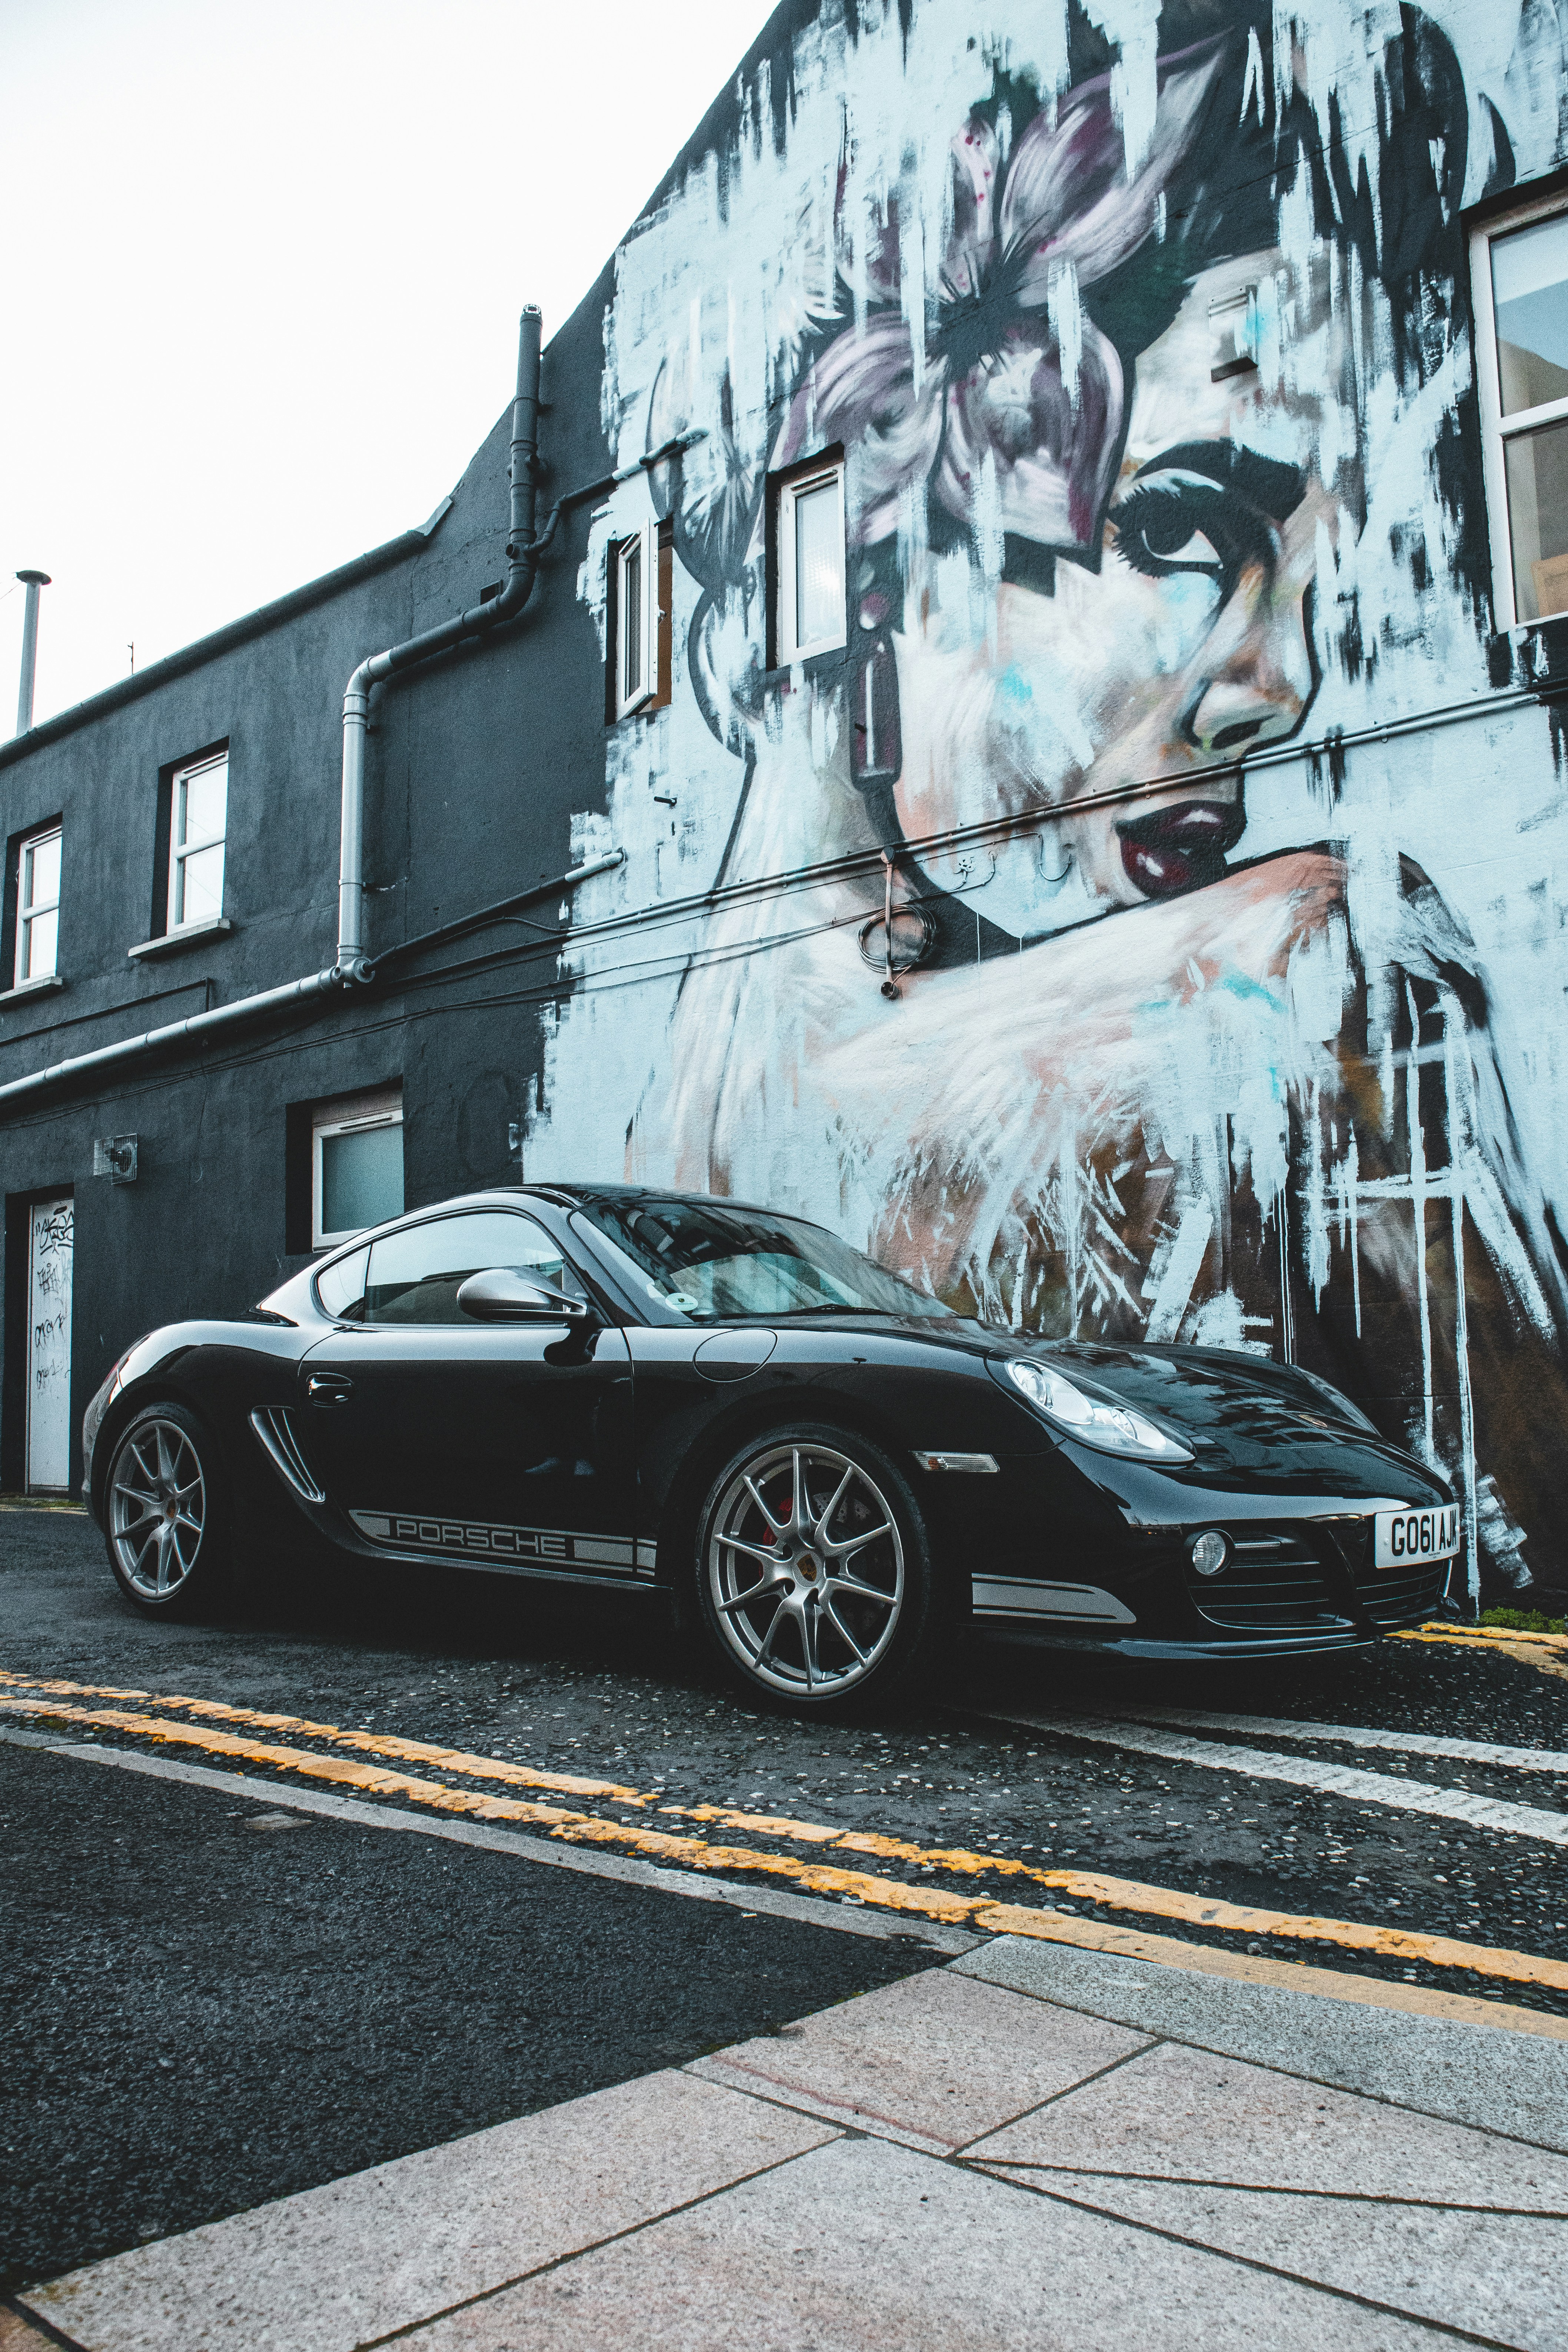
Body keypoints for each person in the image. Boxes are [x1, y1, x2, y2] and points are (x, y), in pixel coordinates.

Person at [629, 8, 1568, 1601]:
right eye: (1184, 532)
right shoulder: (1289, 970)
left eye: (1310, 569)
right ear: (881, 551)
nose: (1271, 687)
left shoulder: (699, 1123)